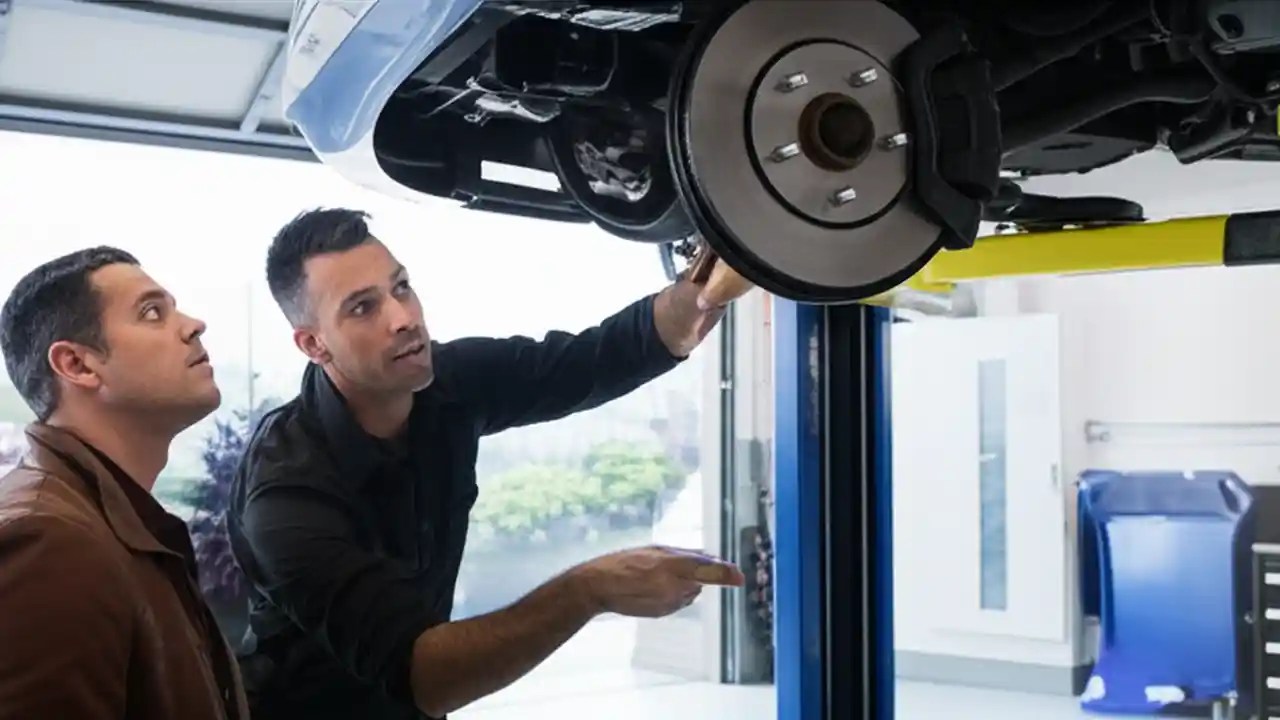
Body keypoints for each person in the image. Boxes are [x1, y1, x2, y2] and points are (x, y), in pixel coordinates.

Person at [228, 208, 753, 719]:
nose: (404, 318)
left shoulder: (447, 383)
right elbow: (423, 675)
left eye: (401, 287)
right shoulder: (285, 495)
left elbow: (587, 361)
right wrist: (590, 588)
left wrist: (700, 295)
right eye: (363, 308)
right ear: (313, 344)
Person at [0, 247, 249, 719]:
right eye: (152, 312)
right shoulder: (49, 543)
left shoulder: (108, 522)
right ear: (78, 365)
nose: (193, 324)